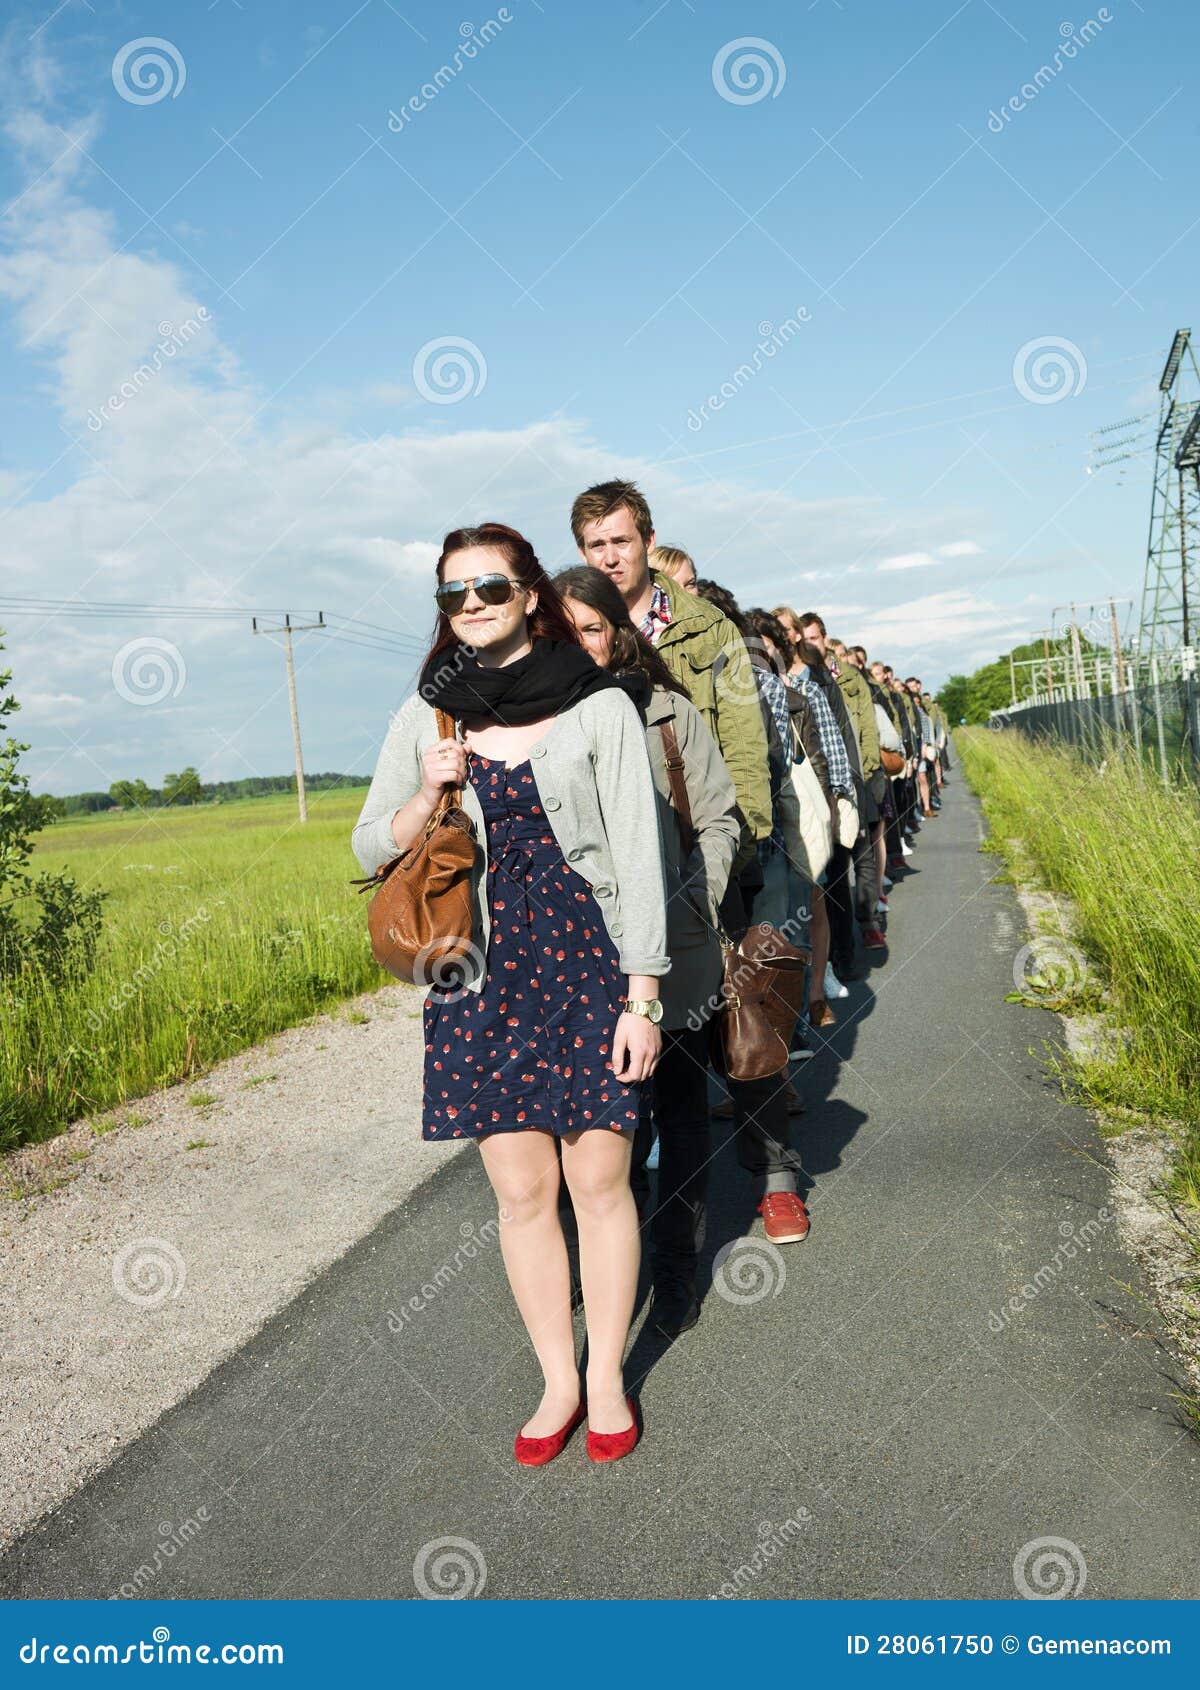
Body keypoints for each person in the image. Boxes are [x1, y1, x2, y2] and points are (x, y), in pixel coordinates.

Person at [351, 522, 669, 1467]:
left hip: (588, 965)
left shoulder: (598, 704)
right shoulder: (429, 714)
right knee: (523, 1191)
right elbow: (371, 844)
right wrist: (424, 793)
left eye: (491, 586)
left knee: (599, 1181)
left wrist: (643, 998)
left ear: (531, 593)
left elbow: (642, 861)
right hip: (476, 975)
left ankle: (607, 1375)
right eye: (456, 593)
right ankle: (556, 1380)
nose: (474, 604)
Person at [570, 481, 808, 1245]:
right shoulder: (572, 628)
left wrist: (733, 853)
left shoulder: (706, 631)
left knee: (745, 1022)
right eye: (594, 545)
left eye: (621, 541)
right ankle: (632, 1206)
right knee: (644, 1036)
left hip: (713, 849)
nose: (610, 556)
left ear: (646, 540)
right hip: (624, 870)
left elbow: (743, 740)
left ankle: (775, 1177)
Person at [555, 566, 740, 1335]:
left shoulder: (668, 712)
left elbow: (724, 817)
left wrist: (696, 901)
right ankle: (597, 1267)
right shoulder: (536, 725)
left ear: (618, 633)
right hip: (575, 963)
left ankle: (675, 1266)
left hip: (677, 955)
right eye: (565, 631)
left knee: (680, 1112)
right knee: (597, 1126)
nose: (581, 644)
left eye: (594, 628)